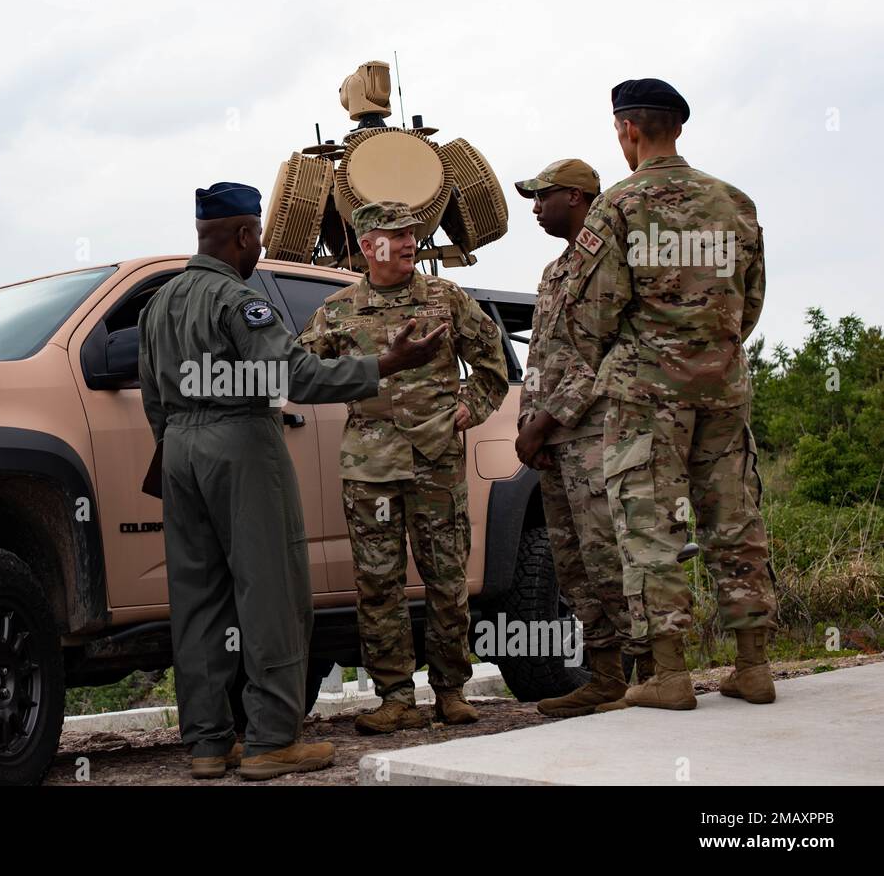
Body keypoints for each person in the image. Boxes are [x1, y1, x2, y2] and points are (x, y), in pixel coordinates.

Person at [137, 182, 448, 779]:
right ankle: (272, 741)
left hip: (178, 447)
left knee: (198, 602)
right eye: (256, 238)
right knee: (271, 592)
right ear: (246, 235)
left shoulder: (161, 303)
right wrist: (382, 365)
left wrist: (180, 443)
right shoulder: (238, 301)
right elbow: (292, 373)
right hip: (240, 443)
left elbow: (154, 395)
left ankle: (207, 744)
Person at [560, 80, 777, 711]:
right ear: (675, 128)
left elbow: (592, 314)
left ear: (627, 130)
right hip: (724, 387)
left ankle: (670, 675)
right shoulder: (734, 201)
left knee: (649, 527)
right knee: (735, 522)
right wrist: (709, 348)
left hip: (646, 396)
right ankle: (754, 667)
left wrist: (629, 358)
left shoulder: (619, 206)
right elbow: (752, 301)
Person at [299, 201, 508, 733]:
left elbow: (493, 361)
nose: (412, 242)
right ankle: (395, 696)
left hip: (436, 461)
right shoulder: (338, 310)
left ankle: (452, 690)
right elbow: (301, 370)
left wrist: (470, 407)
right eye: (397, 235)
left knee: (445, 577)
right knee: (378, 583)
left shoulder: (446, 298)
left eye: (414, 233)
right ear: (369, 247)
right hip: (370, 470)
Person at [513, 159, 653, 716]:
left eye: (542, 197)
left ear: (575, 197)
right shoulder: (554, 271)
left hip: (598, 435)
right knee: (572, 565)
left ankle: (652, 671)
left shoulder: (606, 262)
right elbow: (543, 359)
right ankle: (605, 676)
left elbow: (596, 358)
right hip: (556, 442)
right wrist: (531, 424)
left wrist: (544, 422)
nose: (534, 208)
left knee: (612, 557)